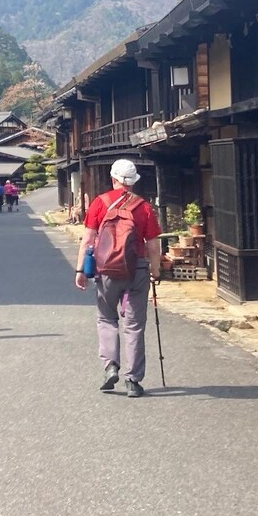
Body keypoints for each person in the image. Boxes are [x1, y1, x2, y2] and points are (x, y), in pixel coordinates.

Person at [74, 158, 161, 398]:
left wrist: (81, 270)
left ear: (113, 179)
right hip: (138, 269)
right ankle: (133, 380)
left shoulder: (99, 203)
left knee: (106, 318)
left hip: (107, 270)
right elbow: (153, 246)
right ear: (133, 182)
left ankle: (111, 366)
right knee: (134, 326)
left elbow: (88, 240)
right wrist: (156, 271)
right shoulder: (143, 207)